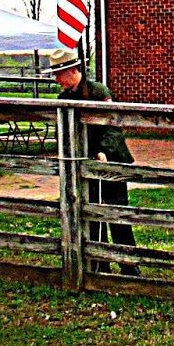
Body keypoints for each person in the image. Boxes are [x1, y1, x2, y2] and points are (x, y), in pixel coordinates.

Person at [43, 47, 136, 273]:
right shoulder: (64, 99)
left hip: (110, 162)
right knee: (91, 214)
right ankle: (99, 262)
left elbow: (113, 125)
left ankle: (128, 263)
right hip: (83, 163)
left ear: (73, 71)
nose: (57, 80)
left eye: (59, 74)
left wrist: (104, 151)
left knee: (116, 213)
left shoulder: (97, 92)